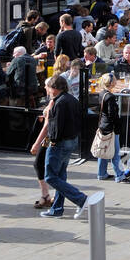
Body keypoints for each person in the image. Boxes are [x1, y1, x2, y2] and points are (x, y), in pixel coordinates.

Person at [31, 75, 90, 219]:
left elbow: (55, 127)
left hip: (59, 143)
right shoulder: (71, 100)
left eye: (49, 87)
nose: (48, 90)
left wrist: (52, 140)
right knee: (61, 176)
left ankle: (80, 198)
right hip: (71, 141)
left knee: (50, 176)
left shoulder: (59, 103)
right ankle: (57, 209)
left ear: (54, 88)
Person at [95, 74, 128, 182]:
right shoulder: (110, 97)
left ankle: (101, 173)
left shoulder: (102, 94)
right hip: (111, 127)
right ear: (111, 82)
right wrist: (118, 124)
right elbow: (112, 114)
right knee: (115, 152)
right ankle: (119, 175)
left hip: (103, 126)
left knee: (103, 150)